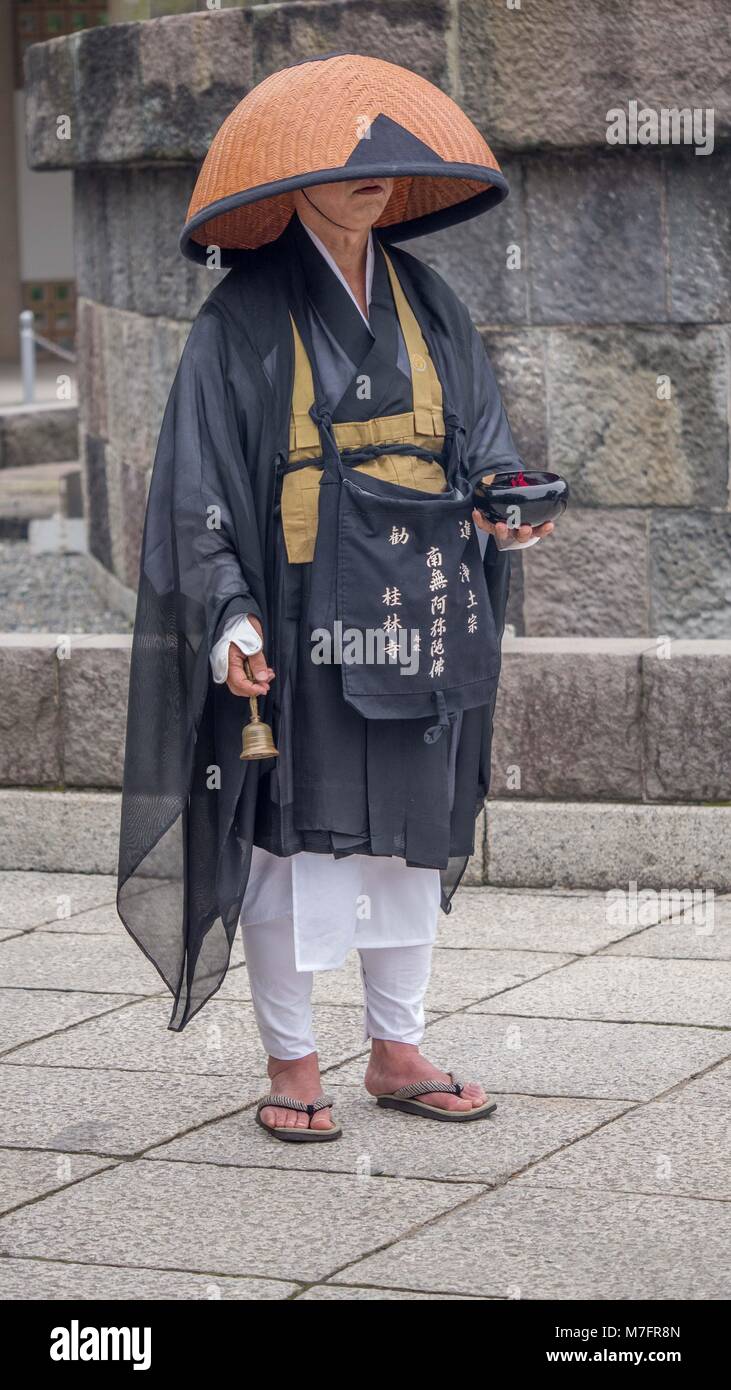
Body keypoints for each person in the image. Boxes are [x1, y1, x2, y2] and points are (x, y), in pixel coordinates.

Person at [117, 53, 556, 1142]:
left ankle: (397, 1044)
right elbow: (196, 483)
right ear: (285, 180)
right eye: (346, 162)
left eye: (386, 164)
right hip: (303, 614)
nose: (374, 178)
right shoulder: (241, 318)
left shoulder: (429, 300)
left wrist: (507, 501)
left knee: (408, 835)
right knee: (291, 845)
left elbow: (482, 445)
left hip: (420, 608)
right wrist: (229, 611)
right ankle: (294, 1057)